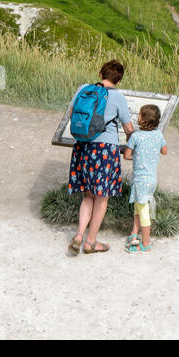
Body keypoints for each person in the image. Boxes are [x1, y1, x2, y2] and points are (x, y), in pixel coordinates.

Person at [66, 59, 133, 254]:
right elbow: (128, 127)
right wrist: (133, 141)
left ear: (100, 74)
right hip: (105, 150)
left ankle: (79, 235)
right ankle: (91, 242)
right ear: (118, 81)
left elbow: (72, 113)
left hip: (83, 145)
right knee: (102, 197)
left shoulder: (84, 89)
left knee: (88, 193)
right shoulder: (118, 97)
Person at [124, 104, 168, 252]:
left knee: (143, 211)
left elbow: (127, 155)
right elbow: (165, 151)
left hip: (140, 180)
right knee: (139, 206)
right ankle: (134, 234)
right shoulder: (158, 134)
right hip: (152, 179)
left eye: (140, 115)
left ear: (144, 120)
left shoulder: (136, 136)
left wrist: (138, 156)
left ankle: (146, 243)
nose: (137, 117)